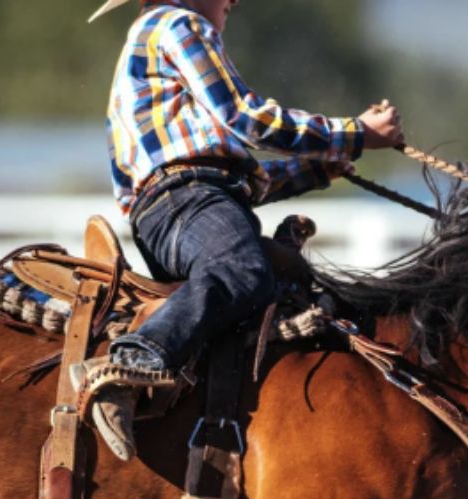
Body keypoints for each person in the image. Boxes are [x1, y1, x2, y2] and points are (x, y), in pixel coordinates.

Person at [89, 0, 405, 382]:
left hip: (174, 209)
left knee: (255, 288)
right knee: (241, 270)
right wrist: (355, 134)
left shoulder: (155, 42)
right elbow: (245, 118)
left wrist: (317, 169)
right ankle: (137, 357)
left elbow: (232, 176)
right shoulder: (178, 25)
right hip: (186, 203)